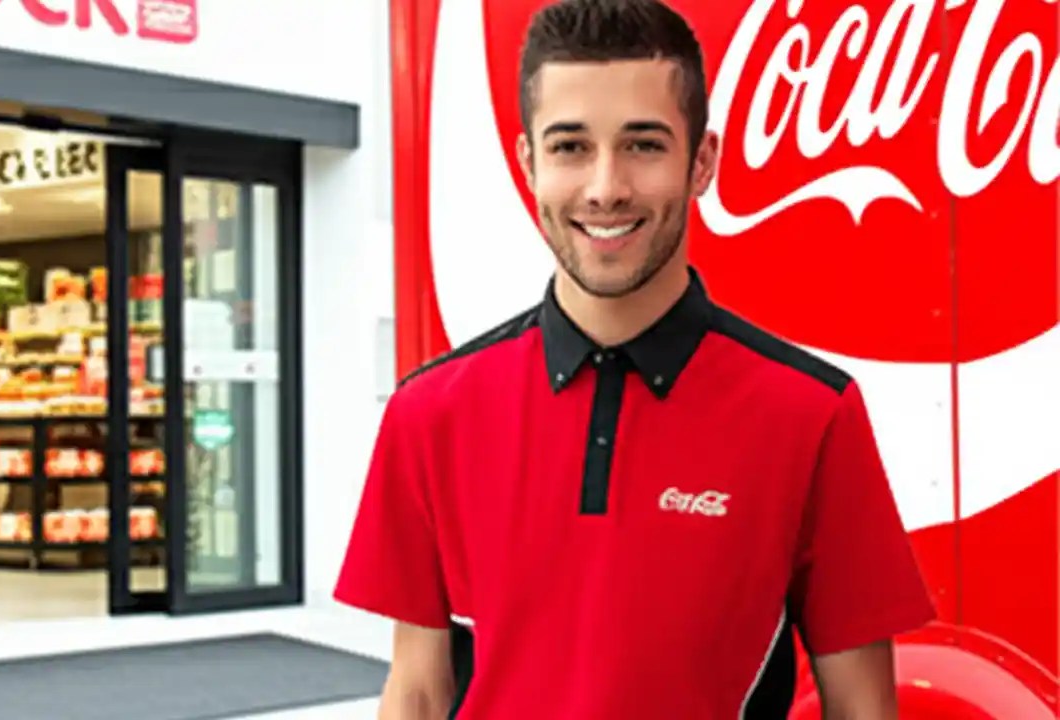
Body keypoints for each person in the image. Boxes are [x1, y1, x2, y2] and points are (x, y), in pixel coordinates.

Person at [334, 0, 937, 717]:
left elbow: (863, 708)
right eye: (570, 147)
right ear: (529, 163)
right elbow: (417, 695)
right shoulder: (428, 412)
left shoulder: (812, 415)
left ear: (701, 161)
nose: (605, 187)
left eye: (644, 144)